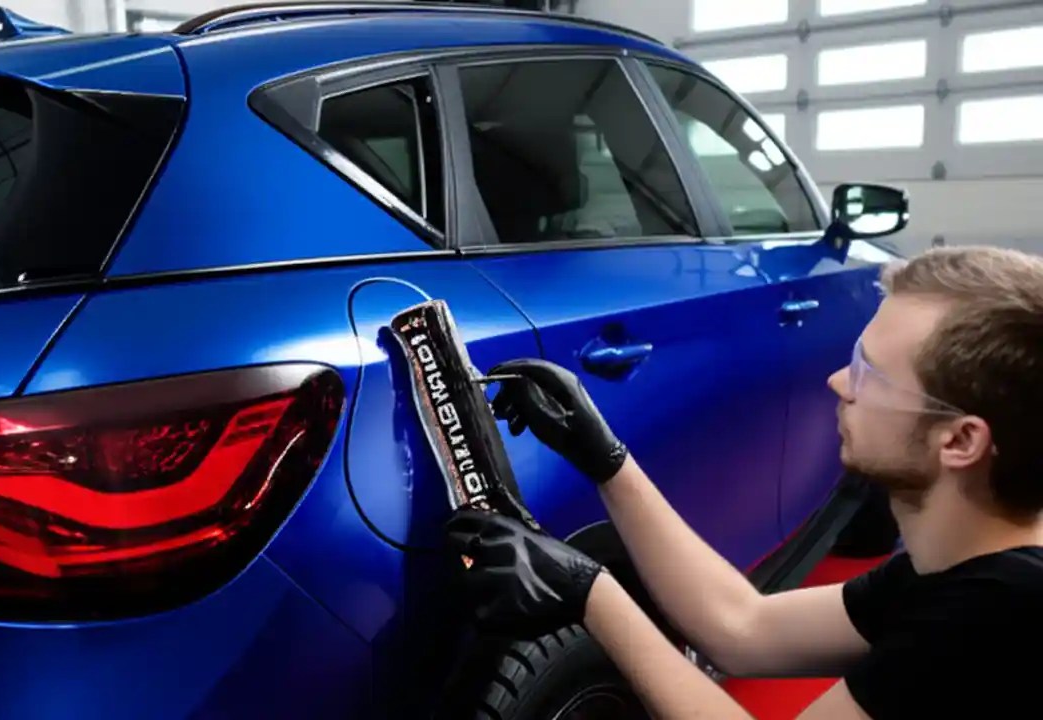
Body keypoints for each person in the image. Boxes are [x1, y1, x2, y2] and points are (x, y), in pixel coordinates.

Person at [445, 245, 1043, 719]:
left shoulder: (1003, 617)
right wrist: (607, 460)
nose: (839, 382)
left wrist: (589, 594)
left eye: (870, 373)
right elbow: (742, 628)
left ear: (961, 441)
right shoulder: (966, 568)